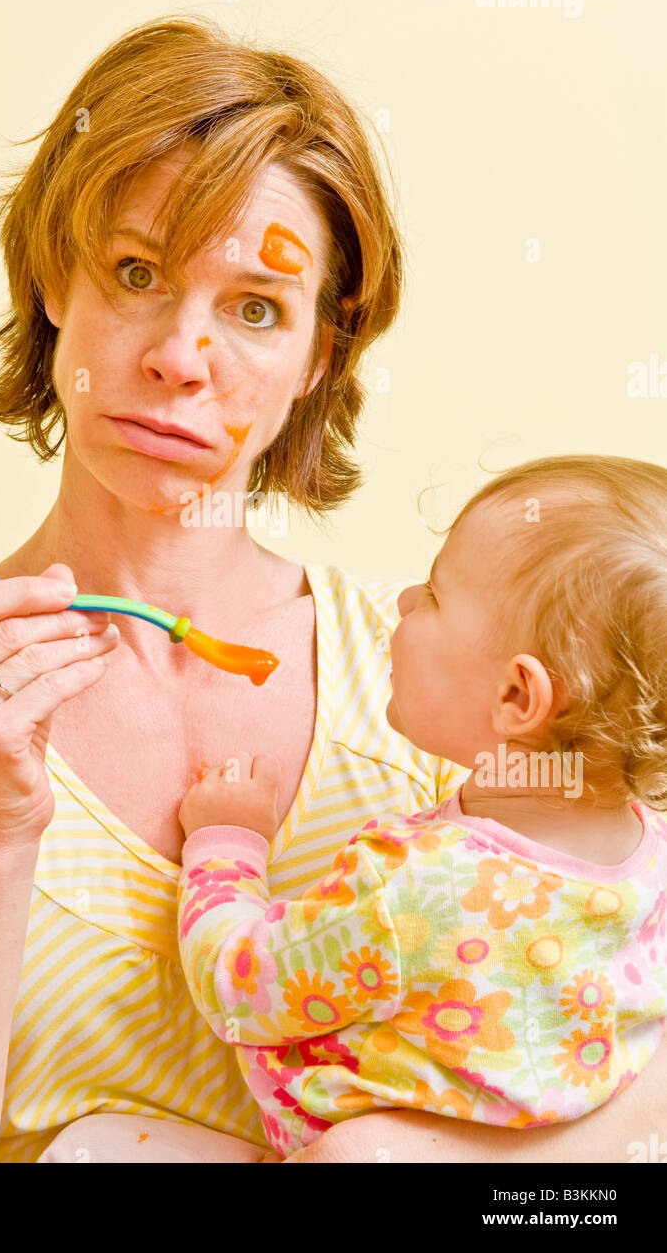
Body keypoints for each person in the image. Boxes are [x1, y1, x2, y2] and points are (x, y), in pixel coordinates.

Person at [0, 16, 664, 1165]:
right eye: (134, 272)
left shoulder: (453, 683)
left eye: (256, 305)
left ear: (318, 355)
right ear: (56, 284)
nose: (180, 356)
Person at [164, 455, 667, 1158]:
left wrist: (226, 844)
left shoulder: (417, 889)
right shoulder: (651, 859)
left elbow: (237, 989)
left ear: (518, 699)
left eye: (432, 594)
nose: (400, 600)